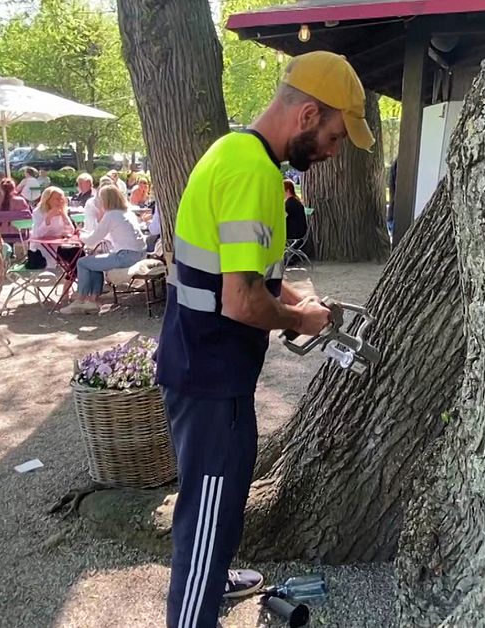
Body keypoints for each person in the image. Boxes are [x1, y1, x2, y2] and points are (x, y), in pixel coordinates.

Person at [153, 50, 369, 627]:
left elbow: (250, 278)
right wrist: (303, 322)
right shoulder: (254, 174)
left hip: (200, 362)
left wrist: (300, 301)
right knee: (209, 510)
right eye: (333, 136)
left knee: (213, 494)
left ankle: (213, 572)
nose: (332, 151)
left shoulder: (234, 152)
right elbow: (242, 302)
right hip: (212, 374)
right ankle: (195, 607)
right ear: (307, 115)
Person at [58, 185, 146, 315]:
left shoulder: (111, 215)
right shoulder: (127, 213)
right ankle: (92, 300)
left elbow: (92, 240)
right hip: (138, 254)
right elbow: (107, 235)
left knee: (82, 262)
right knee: (93, 263)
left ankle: (81, 300)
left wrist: (80, 235)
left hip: (125, 256)